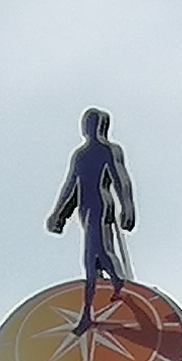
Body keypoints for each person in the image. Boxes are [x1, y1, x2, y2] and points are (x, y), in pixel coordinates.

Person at [46, 108, 136, 330]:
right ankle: (100, 301)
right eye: (86, 123)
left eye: (92, 123)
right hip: (85, 210)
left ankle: (119, 288)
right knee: (90, 262)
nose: (88, 128)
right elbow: (71, 185)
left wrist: (128, 208)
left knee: (99, 253)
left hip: (100, 206)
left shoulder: (108, 150)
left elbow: (120, 179)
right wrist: (59, 214)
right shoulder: (81, 155)